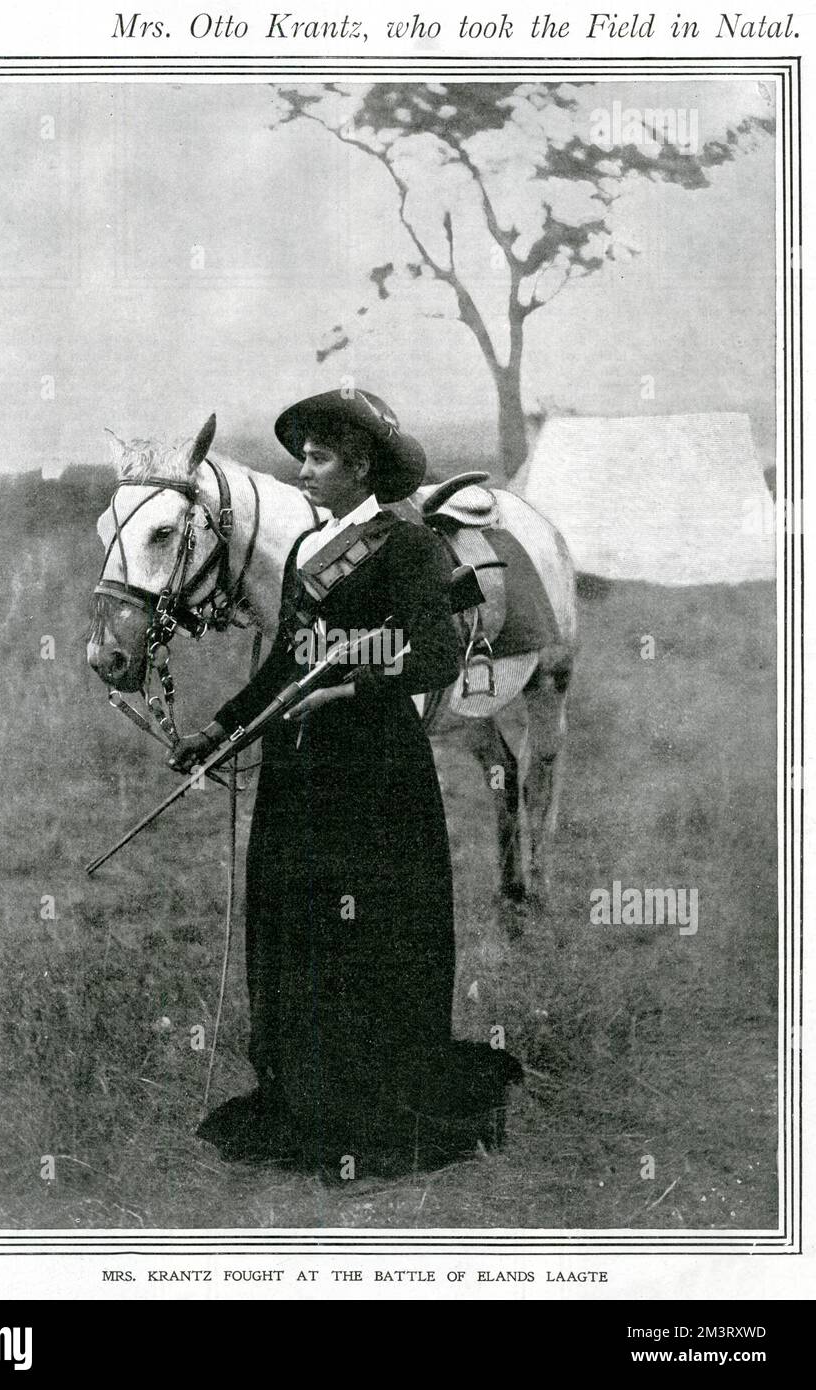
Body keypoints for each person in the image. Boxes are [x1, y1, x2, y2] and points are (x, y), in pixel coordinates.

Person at [170, 389, 521, 1178]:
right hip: (300, 775)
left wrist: (350, 686)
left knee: (371, 927)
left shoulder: (406, 548)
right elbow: (284, 666)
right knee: (300, 919)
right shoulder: (302, 555)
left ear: (361, 468)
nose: (304, 470)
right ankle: (308, 1086)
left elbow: (432, 657)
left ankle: (377, 1088)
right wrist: (219, 730)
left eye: (321, 458)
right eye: (305, 455)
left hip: (375, 774)